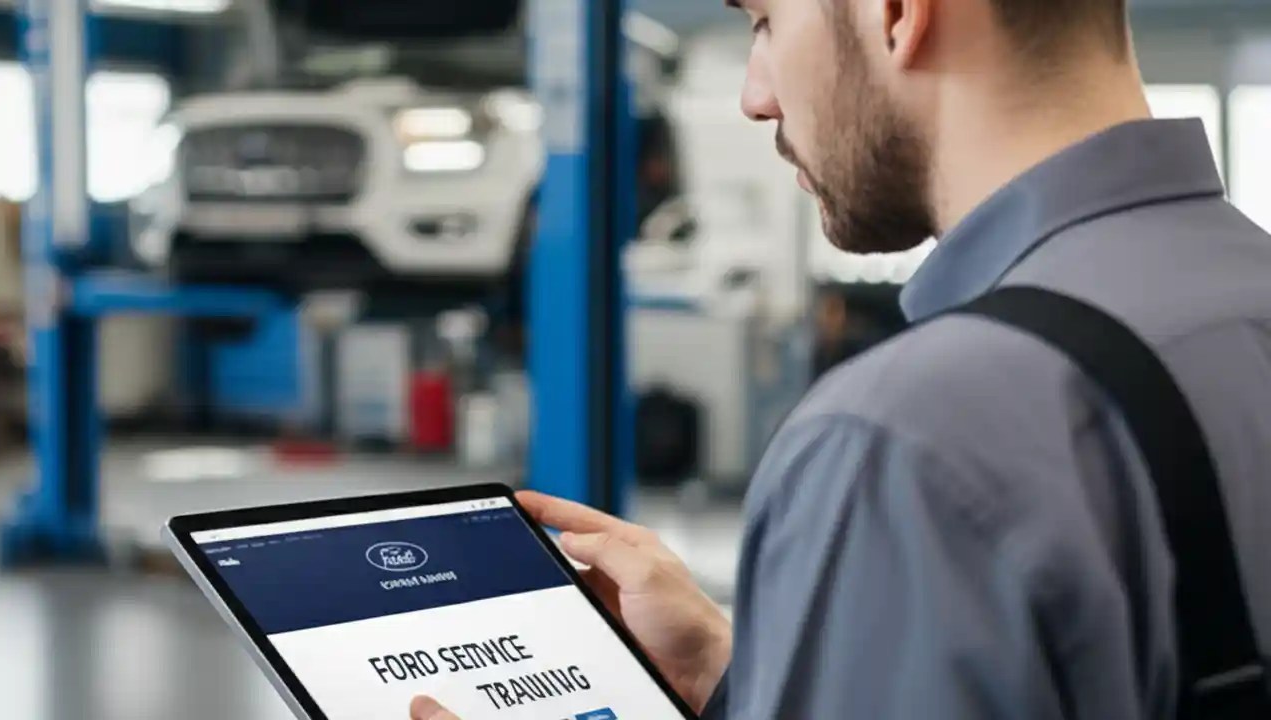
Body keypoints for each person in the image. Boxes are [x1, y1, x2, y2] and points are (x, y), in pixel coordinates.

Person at [412, 0, 1271, 717]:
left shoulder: (909, 434)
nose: (756, 96)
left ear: (897, 13)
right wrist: (729, 671)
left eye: (766, 23)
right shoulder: (1241, 296)